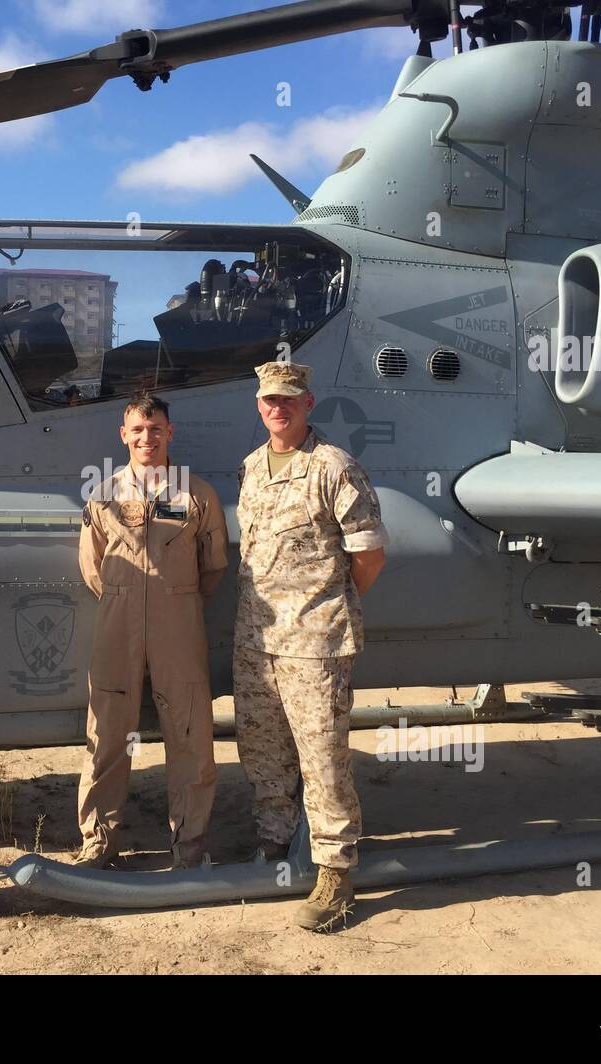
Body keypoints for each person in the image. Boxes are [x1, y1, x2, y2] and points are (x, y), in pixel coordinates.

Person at [234, 361, 388, 930]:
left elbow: (367, 556)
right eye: (271, 400)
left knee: (323, 757)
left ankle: (335, 872)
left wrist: (323, 607)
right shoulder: (252, 467)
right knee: (263, 748)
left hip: (315, 644)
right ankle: (274, 845)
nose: (280, 408)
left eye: (290, 400)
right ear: (259, 406)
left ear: (308, 404)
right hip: (256, 641)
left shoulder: (333, 468)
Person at [76, 392, 229, 869]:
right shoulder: (102, 494)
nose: (147, 438)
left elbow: (214, 566)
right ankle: (98, 842)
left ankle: (189, 846)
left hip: (178, 621)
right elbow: (92, 564)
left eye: (156, 428)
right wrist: (126, 600)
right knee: (106, 734)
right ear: (124, 436)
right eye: (137, 430)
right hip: (117, 621)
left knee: (190, 733)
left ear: (170, 432)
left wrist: (174, 600)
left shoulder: (196, 494)